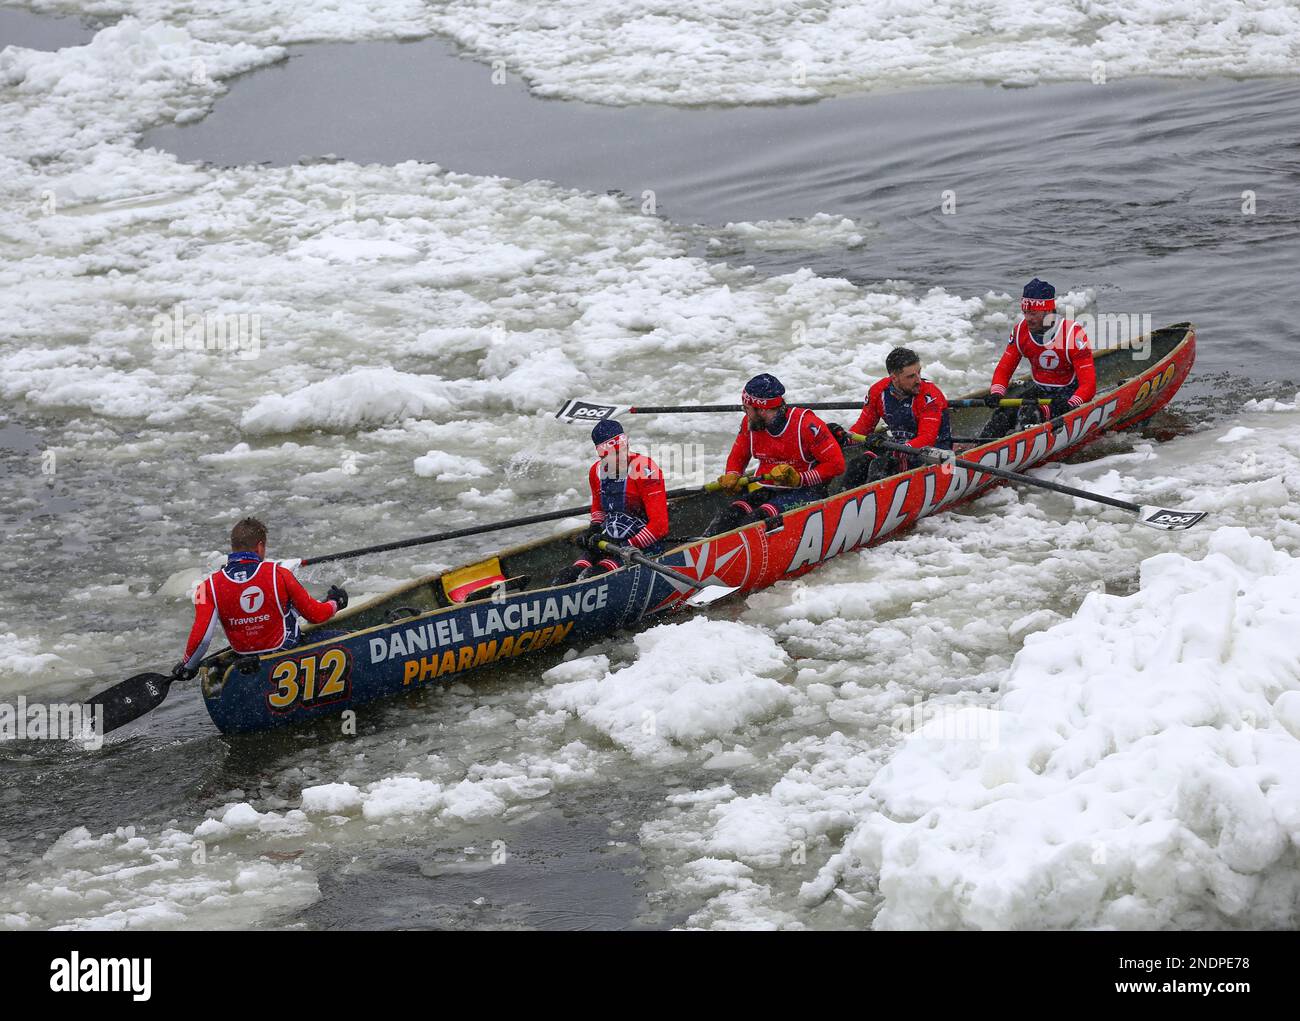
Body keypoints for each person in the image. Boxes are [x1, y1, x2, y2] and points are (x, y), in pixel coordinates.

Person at [171, 517, 347, 681]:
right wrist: (335, 603)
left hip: (246, 659)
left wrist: (188, 665)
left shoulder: (206, 586)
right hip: (286, 655)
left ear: (233, 547)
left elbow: (202, 639)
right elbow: (315, 615)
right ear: (260, 546)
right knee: (347, 637)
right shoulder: (279, 574)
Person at [707, 373, 845, 534]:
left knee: (753, 522)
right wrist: (732, 474)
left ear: (762, 410)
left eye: (746, 408)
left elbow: (837, 465)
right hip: (771, 488)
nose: (745, 413)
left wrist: (799, 478)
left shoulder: (807, 425)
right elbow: (739, 455)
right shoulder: (750, 424)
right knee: (727, 516)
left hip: (807, 491)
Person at [551, 419, 669, 585]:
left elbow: (660, 526)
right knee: (566, 576)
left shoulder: (646, 469)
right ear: (602, 455)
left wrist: (625, 544)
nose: (620, 458)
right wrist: (594, 528)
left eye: (622, 451)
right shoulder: (596, 472)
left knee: (592, 577)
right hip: (609, 541)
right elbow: (599, 509)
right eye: (613, 455)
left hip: (642, 546)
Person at [979, 277, 1096, 438]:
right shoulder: (1020, 332)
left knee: (1029, 415)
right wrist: (996, 393)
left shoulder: (1072, 335)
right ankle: (979, 446)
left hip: (1068, 394)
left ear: (1048, 311)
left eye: (1033, 313)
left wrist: (1071, 405)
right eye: (1025, 312)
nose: (1028, 318)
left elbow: (1089, 386)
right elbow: (1004, 369)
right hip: (1040, 391)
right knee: (1002, 415)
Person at [838, 347, 952, 486]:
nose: (918, 380)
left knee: (882, 465)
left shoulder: (930, 395)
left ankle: (876, 499)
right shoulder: (878, 391)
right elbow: (863, 429)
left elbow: (927, 438)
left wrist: (891, 450)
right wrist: (841, 436)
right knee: (857, 464)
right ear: (894, 378)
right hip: (899, 448)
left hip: (940, 454)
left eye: (919, 373)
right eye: (911, 376)